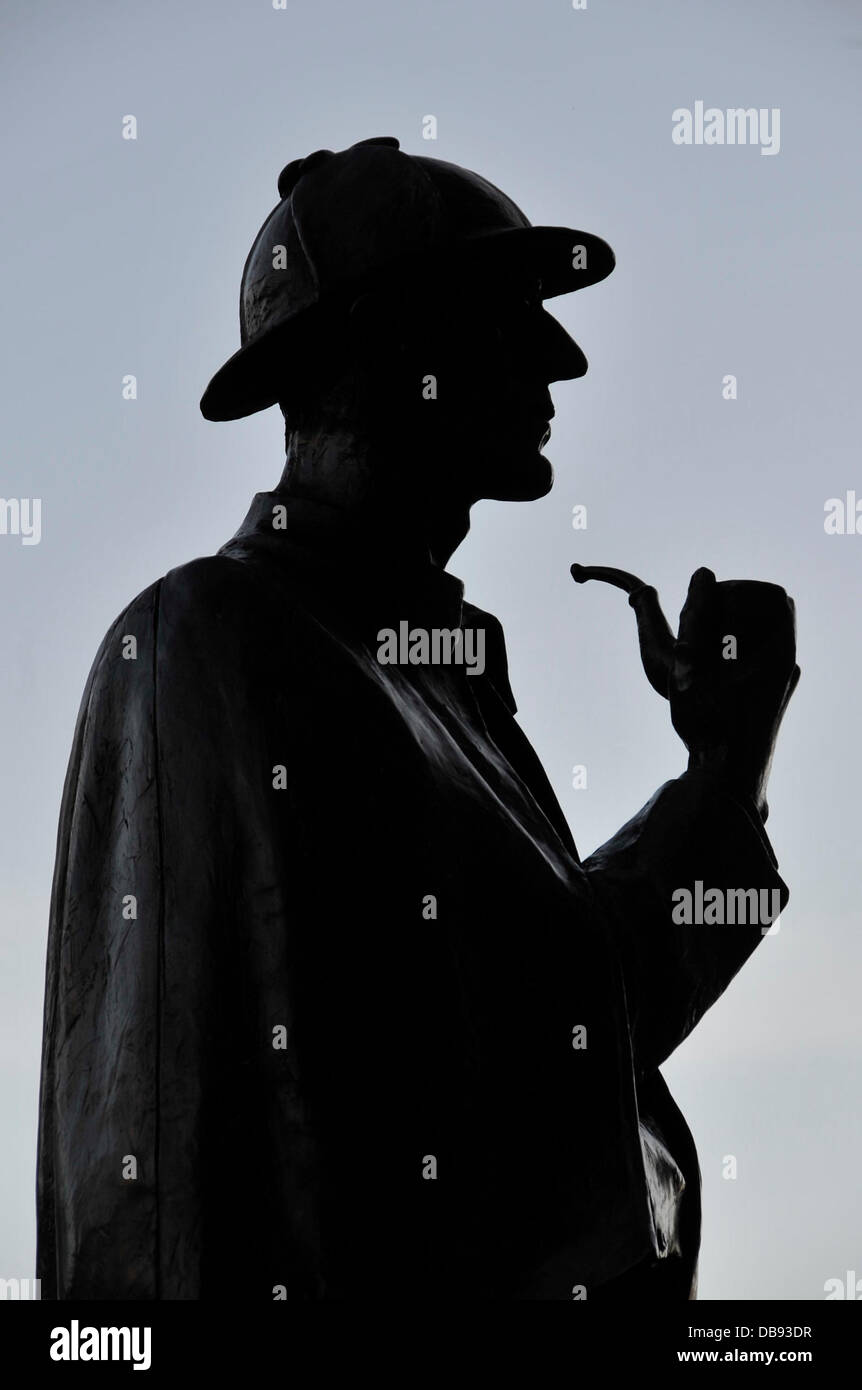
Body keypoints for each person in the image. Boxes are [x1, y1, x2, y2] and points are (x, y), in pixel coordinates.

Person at [36, 137, 799, 1300]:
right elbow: (153, 1172)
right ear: (385, 348)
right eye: (509, 313)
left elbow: (567, 1027)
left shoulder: (429, 681)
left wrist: (726, 766)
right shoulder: (215, 637)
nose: (563, 357)